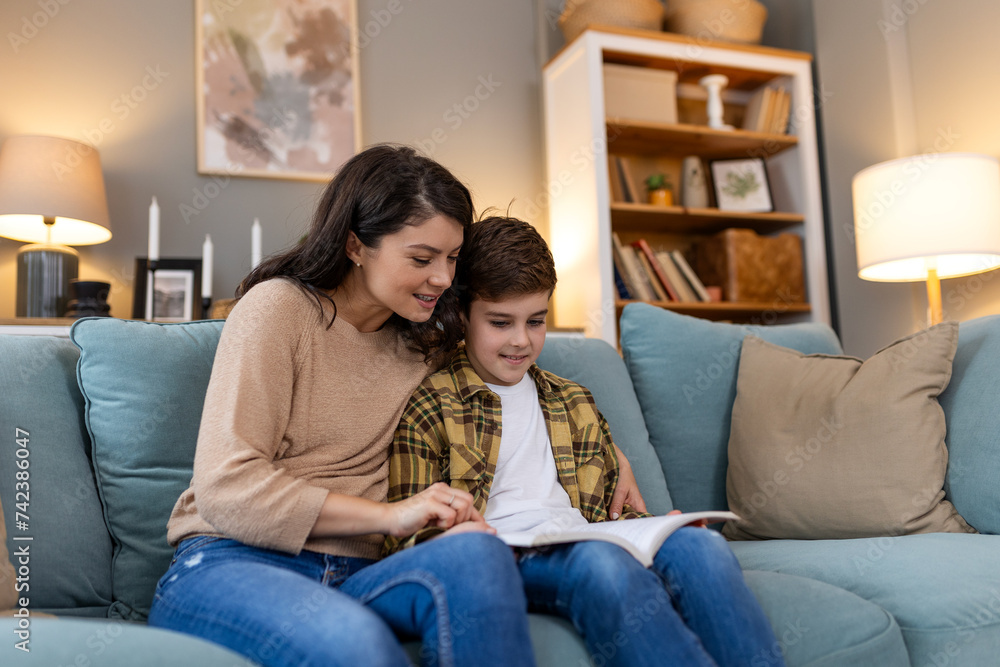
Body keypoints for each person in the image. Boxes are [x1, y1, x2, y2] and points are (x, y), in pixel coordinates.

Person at [147, 145, 537, 667]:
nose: (442, 278)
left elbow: (518, 374)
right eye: (421, 259)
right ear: (356, 245)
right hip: (232, 562)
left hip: (358, 574)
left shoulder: (426, 340)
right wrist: (391, 517)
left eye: (452, 259)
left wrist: (612, 453)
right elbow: (226, 488)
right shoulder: (279, 310)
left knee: (478, 556)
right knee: (356, 644)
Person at [387, 215, 784, 667]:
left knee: (702, 547)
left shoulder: (573, 400)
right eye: (500, 322)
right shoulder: (431, 403)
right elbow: (408, 536)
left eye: (536, 321)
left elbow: (616, 512)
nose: (521, 340)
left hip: (586, 535)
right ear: (462, 314)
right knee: (602, 565)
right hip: (507, 554)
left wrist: (657, 527)